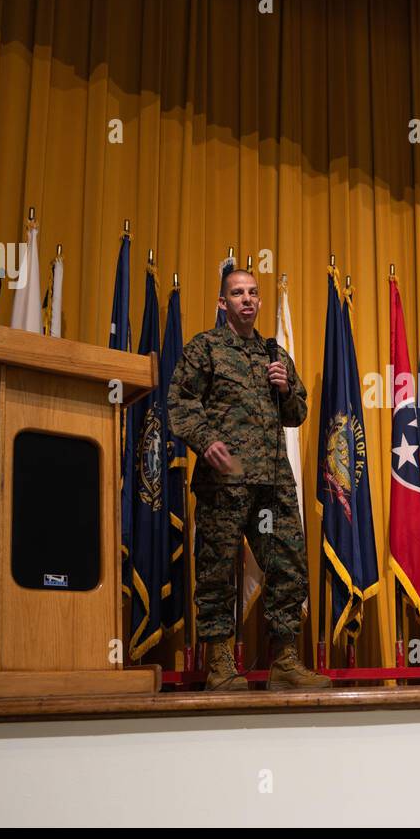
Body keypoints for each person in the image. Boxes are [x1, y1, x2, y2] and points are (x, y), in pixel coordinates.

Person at [167, 268, 330, 691]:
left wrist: (286, 389)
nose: (247, 299)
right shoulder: (206, 348)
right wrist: (205, 442)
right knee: (217, 571)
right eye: (237, 293)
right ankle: (220, 662)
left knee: (288, 566)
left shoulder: (275, 354)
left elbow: (297, 414)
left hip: (271, 486)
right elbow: (179, 402)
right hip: (225, 484)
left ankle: (285, 660)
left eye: (253, 293)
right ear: (223, 303)